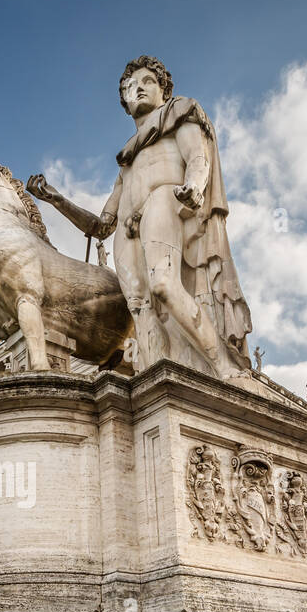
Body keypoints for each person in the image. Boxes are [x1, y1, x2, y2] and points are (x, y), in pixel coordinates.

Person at [28, 55, 251, 377]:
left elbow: (198, 158)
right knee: (141, 309)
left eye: (147, 82)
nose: (139, 89)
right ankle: (160, 379)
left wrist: (194, 187)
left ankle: (223, 368)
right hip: (127, 229)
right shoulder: (128, 160)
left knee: (163, 285)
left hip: (165, 200)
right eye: (131, 87)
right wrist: (56, 200)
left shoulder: (179, 114)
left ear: (163, 89)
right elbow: (102, 225)